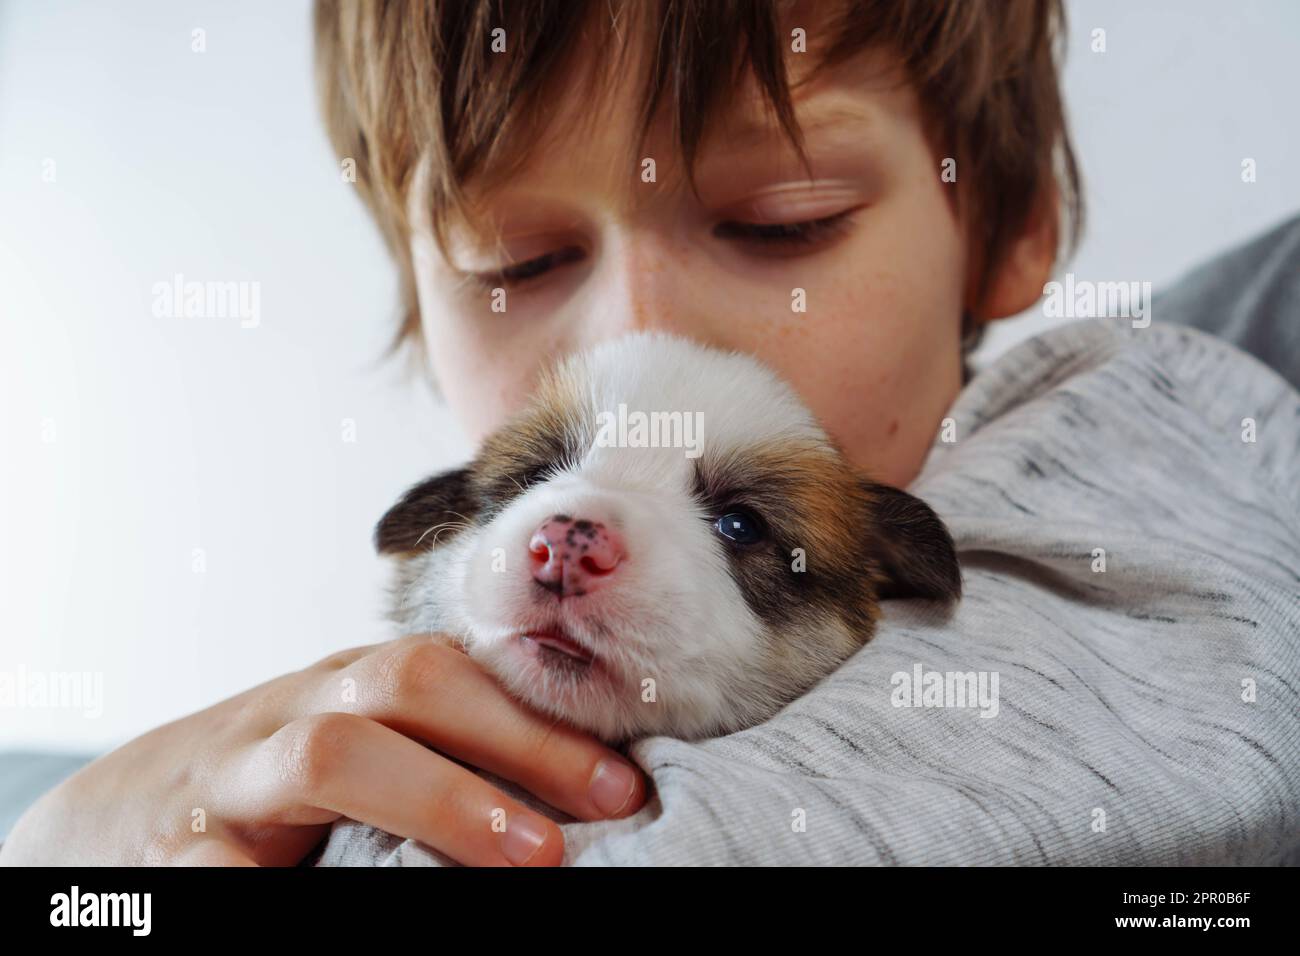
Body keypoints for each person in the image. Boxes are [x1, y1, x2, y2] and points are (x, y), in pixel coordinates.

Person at [4, 0, 1297, 867]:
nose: (643, 334)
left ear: (1010, 226)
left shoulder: (1146, 479)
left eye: (780, 223)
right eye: (517, 261)